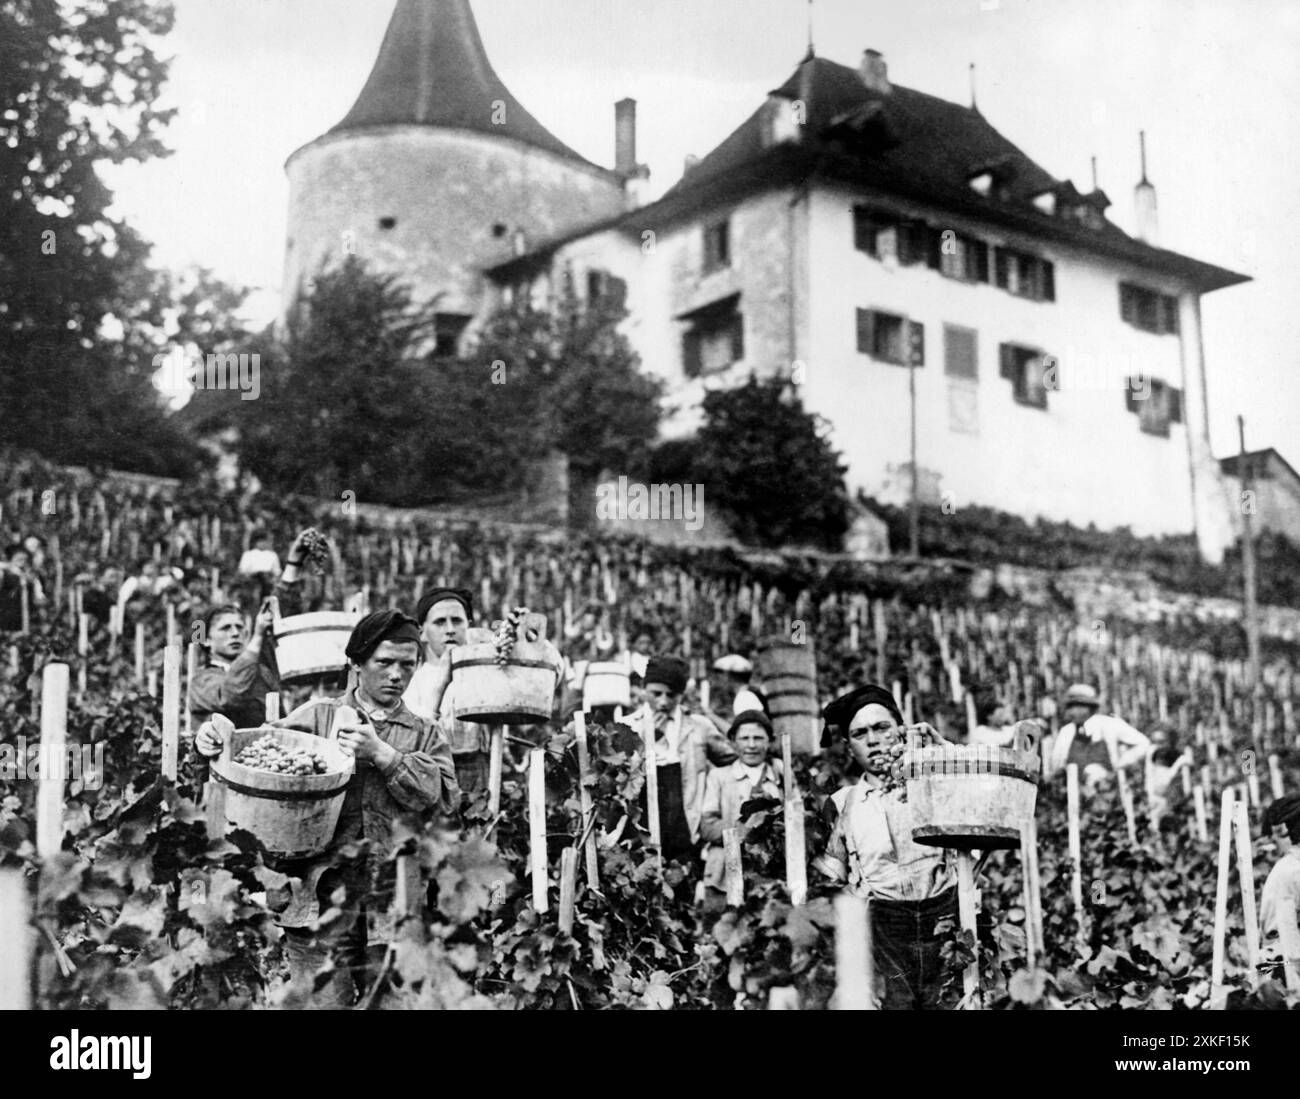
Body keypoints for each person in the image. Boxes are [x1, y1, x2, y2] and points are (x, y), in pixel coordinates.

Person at [194, 610, 458, 1008]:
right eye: (383, 663)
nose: (396, 675)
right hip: (319, 896)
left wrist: (384, 756)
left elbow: (445, 802)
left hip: (394, 901)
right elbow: (259, 757)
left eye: (407, 665)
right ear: (356, 665)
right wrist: (212, 742)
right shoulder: (319, 716)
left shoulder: (425, 732)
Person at [813, 684, 958, 1010]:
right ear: (850, 748)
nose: (874, 740)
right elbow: (832, 876)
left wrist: (946, 753)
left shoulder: (934, 781)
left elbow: (990, 803)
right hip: (885, 928)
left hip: (944, 919)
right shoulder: (843, 803)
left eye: (882, 728)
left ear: (902, 732)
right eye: (860, 734)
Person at [627, 654, 737, 863]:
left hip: (685, 824)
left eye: (672, 695)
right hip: (643, 821)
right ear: (644, 689)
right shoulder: (630, 726)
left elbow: (733, 759)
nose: (663, 702)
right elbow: (620, 774)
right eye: (656, 693)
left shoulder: (697, 726)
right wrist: (645, 739)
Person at [402, 586, 492, 793]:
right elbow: (414, 739)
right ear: (422, 632)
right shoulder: (414, 682)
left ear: (468, 627)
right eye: (440, 622)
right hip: (434, 772)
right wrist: (442, 680)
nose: (450, 629)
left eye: (457, 621)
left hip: (479, 772)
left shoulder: (483, 673)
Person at [699, 710, 784, 905]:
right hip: (726, 869)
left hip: (769, 871)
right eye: (744, 738)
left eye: (758, 738)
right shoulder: (719, 777)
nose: (751, 745)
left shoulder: (781, 776)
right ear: (732, 742)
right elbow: (707, 826)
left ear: (769, 742)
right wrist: (746, 830)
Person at [188, 603, 279, 731]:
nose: (235, 633)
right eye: (226, 628)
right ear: (206, 640)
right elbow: (230, 696)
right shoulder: (201, 680)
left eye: (240, 627)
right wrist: (257, 637)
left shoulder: (262, 673)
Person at [1045, 684, 1150, 788]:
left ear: (1091, 708)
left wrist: (1120, 765)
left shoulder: (1110, 724)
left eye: (1078, 706)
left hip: (1108, 788)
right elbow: (1056, 764)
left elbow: (1143, 743)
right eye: (1070, 707)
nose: (1072, 712)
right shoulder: (1066, 731)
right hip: (1074, 790)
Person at [1259, 794, 1300, 987]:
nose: (1274, 841)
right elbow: (1276, 939)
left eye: (1281, 834)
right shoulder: (1286, 871)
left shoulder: (1287, 871)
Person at [0, 544, 44, 631]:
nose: (22, 562)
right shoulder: (4, 572)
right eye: (19, 559)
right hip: (5, 613)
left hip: (22, 615)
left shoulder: (29, 576)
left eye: (25, 560)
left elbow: (38, 595)